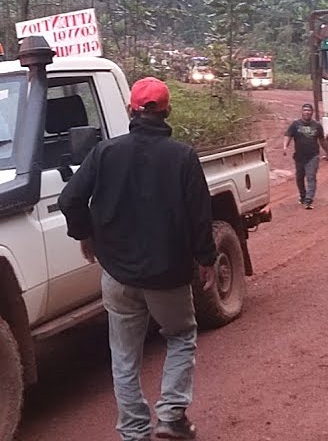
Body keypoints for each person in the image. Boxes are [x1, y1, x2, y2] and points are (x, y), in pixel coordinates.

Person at [59, 77, 216, 441]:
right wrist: (206, 257)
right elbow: (200, 214)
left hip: (118, 275)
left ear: (131, 111)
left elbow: (70, 200)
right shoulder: (182, 156)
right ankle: (172, 416)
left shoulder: (106, 152)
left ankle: (133, 433)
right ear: (167, 112)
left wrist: (85, 234)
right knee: (180, 335)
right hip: (168, 275)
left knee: (124, 355)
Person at [282, 102, 328, 209]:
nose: (307, 112)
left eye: (309, 110)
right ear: (302, 112)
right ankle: (303, 196)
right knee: (299, 178)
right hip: (299, 156)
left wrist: (327, 152)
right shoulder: (295, 124)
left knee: (311, 177)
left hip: (313, 156)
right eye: (305, 110)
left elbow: (322, 140)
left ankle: (309, 200)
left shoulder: (317, 125)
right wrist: (285, 147)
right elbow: (288, 135)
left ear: (312, 112)